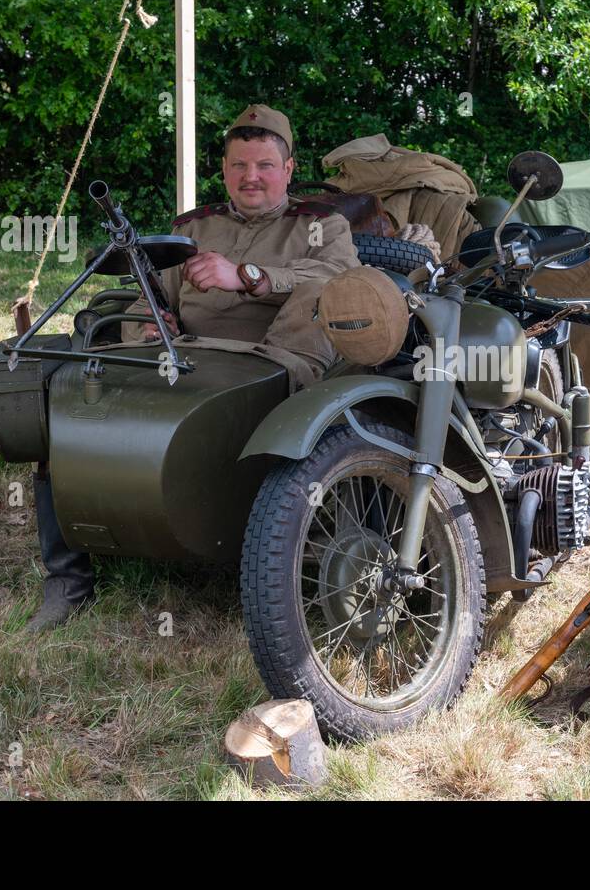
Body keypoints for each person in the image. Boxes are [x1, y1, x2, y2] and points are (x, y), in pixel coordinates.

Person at [27, 104, 360, 632]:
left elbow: (343, 280)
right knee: (56, 398)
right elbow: (150, 293)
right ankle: (68, 581)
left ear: (289, 169)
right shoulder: (193, 228)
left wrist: (248, 275)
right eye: (239, 165)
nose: (252, 176)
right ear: (224, 170)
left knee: (328, 292)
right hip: (184, 361)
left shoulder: (321, 226)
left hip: (274, 374)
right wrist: (151, 323)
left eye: (265, 165)